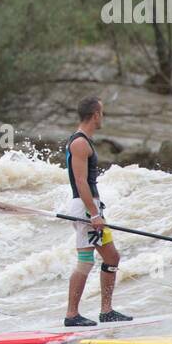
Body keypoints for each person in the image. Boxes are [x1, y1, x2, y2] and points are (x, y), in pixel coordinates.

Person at [59, 97, 132, 327]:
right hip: (85, 208)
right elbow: (81, 182)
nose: (103, 117)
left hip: (91, 207)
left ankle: (106, 310)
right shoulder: (80, 143)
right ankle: (72, 315)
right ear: (95, 115)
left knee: (111, 257)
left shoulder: (85, 141)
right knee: (85, 260)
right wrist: (94, 214)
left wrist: (96, 211)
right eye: (102, 113)